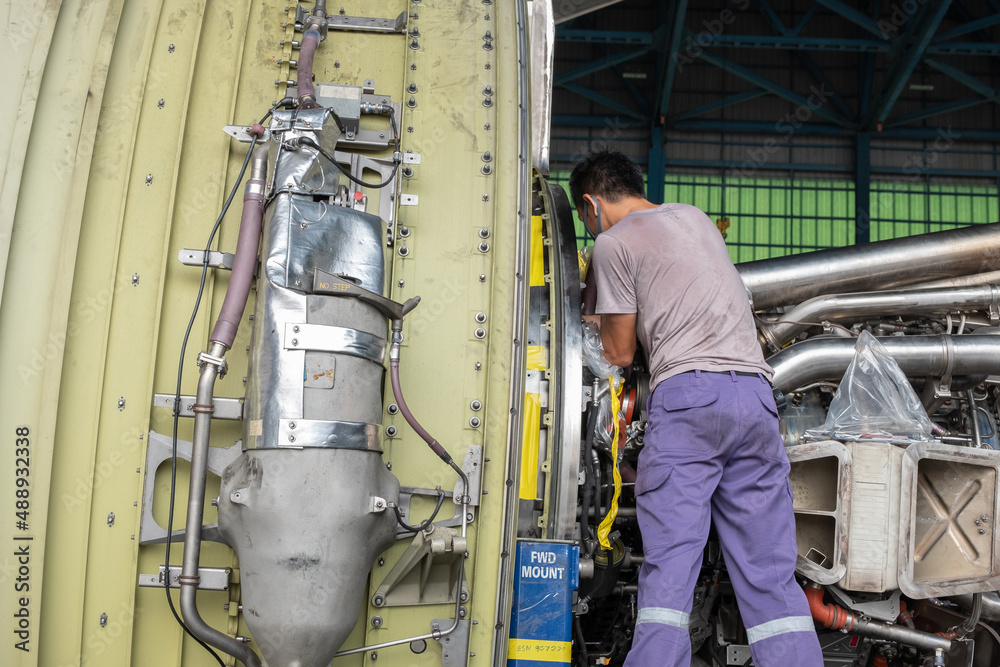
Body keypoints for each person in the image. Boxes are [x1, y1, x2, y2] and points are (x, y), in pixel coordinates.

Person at [570, 150, 823, 667]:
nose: (589, 227)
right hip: (755, 396)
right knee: (769, 573)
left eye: (583, 218)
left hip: (690, 399)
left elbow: (618, 353)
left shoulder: (612, 243)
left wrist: (595, 323)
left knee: (671, 566)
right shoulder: (694, 218)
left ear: (592, 204)